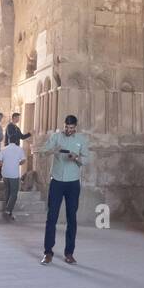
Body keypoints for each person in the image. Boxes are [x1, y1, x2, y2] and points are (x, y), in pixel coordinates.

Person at [39, 114, 91, 265]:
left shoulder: (81, 140)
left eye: (72, 128)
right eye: (67, 127)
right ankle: (48, 253)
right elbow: (42, 152)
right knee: (52, 218)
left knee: (71, 219)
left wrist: (76, 157)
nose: (69, 130)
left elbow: (86, 160)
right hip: (56, 182)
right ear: (64, 125)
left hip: (73, 183)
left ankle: (69, 253)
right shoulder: (56, 137)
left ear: (76, 127)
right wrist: (51, 150)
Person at [0, 136, 25, 221]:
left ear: (9, 141)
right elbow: (24, 160)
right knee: (14, 193)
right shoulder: (19, 149)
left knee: (7, 192)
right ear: (17, 141)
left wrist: (5, 164)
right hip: (14, 174)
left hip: (5, 174)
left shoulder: (4, 149)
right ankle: (8, 210)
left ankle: (9, 213)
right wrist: (17, 163)